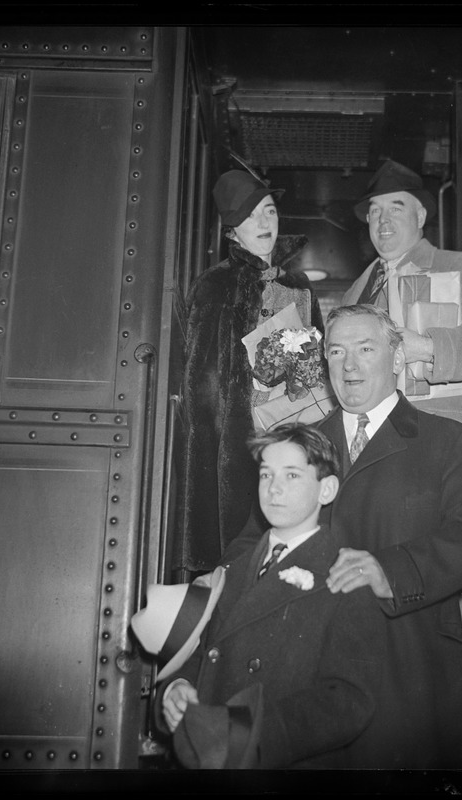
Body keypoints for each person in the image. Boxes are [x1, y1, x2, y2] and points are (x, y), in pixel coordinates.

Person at [317, 303, 462, 769]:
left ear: (397, 359)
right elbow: (256, 540)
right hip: (314, 672)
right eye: (336, 352)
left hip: (409, 666)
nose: (348, 365)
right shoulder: (301, 445)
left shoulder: (449, 442)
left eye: (365, 349)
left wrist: (390, 571)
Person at [154, 423, 385, 769]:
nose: (274, 488)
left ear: (327, 489)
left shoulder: (343, 577)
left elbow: (349, 701)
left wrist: (253, 733)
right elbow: (191, 652)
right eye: (266, 475)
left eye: (292, 476)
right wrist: (175, 690)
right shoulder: (229, 572)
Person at [177, 169, 324, 576]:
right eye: (251, 215)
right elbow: (200, 383)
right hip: (232, 446)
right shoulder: (214, 285)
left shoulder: (299, 284)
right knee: (235, 553)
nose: (265, 223)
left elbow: (316, 373)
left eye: (271, 212)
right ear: (231, 231)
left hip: (291, 433)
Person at [343, 159, 462, 428]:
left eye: (396, 207)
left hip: (436, 430)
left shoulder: (457, 266)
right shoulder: (353, 293)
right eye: (376, 211)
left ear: (420, 217)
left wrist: (427, 347)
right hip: (368, 432)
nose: (384, 219)